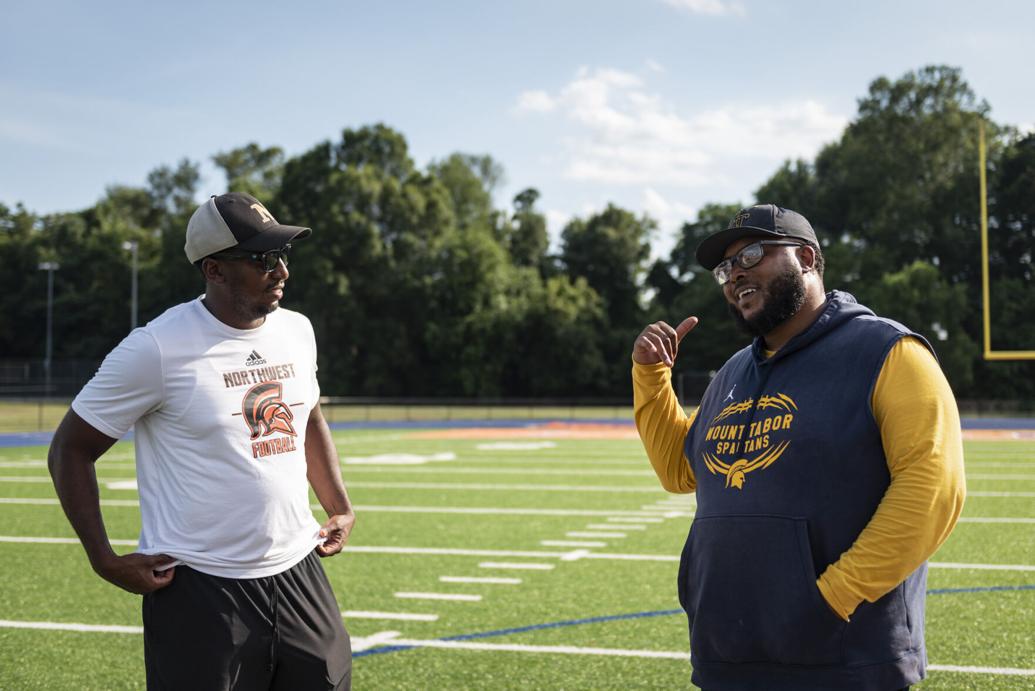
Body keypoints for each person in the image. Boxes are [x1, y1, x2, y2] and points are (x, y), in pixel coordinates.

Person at [632, 204, 966, 690]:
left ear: (807, 258)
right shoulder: (733, 372)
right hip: (731, 653)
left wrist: (830, 598)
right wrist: (650, 377)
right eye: (726, 267)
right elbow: (679, 471)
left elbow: (934, 489)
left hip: (842, 656)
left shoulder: (887, 352)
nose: (735, 274)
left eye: (751, 254)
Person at [48, 192, 355, 690]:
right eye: (261, 259)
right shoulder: (156, 348)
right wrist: (103, 558)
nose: (280, 272)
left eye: (281, 255)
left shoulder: (297, 331)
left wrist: (338, 504)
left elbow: (309, 417)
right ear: (214, 270)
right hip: (200, 586)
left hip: (300, 571)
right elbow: (70, 448)